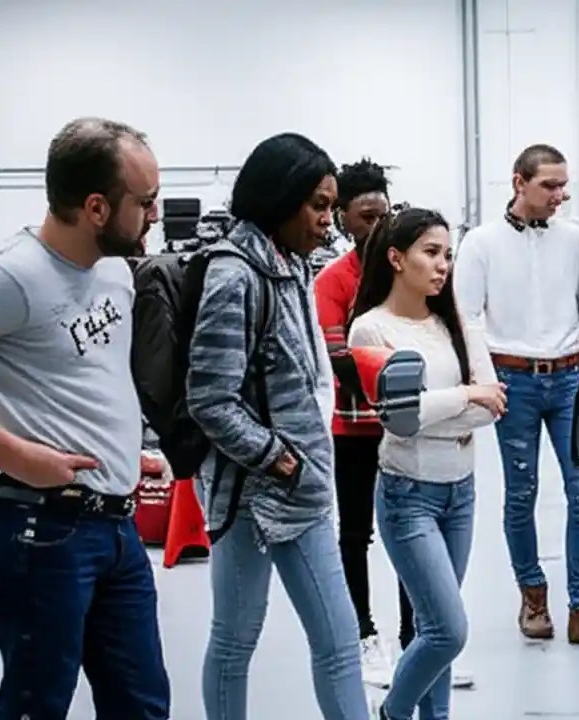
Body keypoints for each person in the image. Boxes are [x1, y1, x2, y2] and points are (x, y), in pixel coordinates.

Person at [0, 117, 171, 719]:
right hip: (38, 527)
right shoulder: (9, 276)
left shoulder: (116, 271)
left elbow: (84, 377)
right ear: (96, 208)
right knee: (39, 705)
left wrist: (120, 447)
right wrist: (13, 454)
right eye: (145, 201)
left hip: (115, 525)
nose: (157, 214)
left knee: (141, 705)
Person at [187, 133, 369, 720]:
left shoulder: (287, 265)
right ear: (281, 197)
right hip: (256, 498)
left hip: (301, 487)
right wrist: (278, 458)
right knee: (243, 640)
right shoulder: (234, 275)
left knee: (335, 642)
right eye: (318, 205)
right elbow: (210, 399)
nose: (328, 221)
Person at [454, 144, 579, 649]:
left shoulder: (573, 239)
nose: (561, 194)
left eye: (563, 184)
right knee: (521, 494)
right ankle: (532, 595)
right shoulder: (481, 244)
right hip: (514, 383)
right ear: (518, 183)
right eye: (550, 185)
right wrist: (486, 383)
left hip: (571, 381)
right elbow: (468, 319)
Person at [347, 208, 504, 720]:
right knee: (447, 628)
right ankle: (393, 713)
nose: (442, 265)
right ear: (396, 258)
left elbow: (493, 405)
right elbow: (401, 420)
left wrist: (446, 403)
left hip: (461, 489)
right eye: (430, 253)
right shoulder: (370, 331)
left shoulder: (453, 321)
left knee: (435, 630)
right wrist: (464, 396)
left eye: (447, 254)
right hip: (408, 494)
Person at [314, 158, 418, 688]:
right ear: (343, 221)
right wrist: (391, 385)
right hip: (354, 429)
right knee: (355, 534)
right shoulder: (334, 281)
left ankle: (415, 640)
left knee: (411, 533)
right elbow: (338, 359)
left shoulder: (408, 270)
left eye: (384, 213)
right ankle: (363, 634)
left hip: (407, 429)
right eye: (365, 215)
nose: (376, 225)